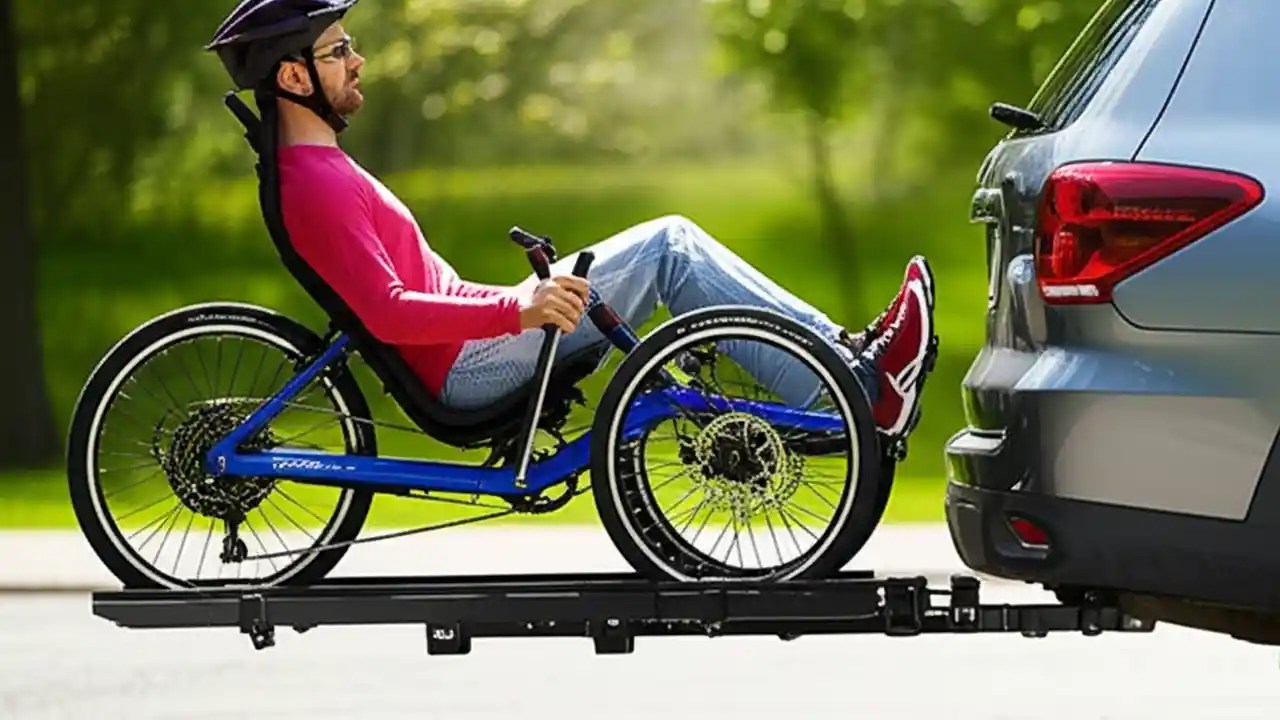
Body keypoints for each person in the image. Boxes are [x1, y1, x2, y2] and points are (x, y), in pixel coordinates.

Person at [205, 0, 938, 439]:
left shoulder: (323, 171)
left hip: (478, 339)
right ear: (294, 76)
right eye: (338, 51)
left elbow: (421, 293)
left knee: (668, 241)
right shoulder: (315, 183)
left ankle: (850, 364)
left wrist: (512, 301)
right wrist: (519, 310)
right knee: (670, 247)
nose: (358, 61)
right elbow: (390, 314)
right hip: (470, 368)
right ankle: (856, 388)